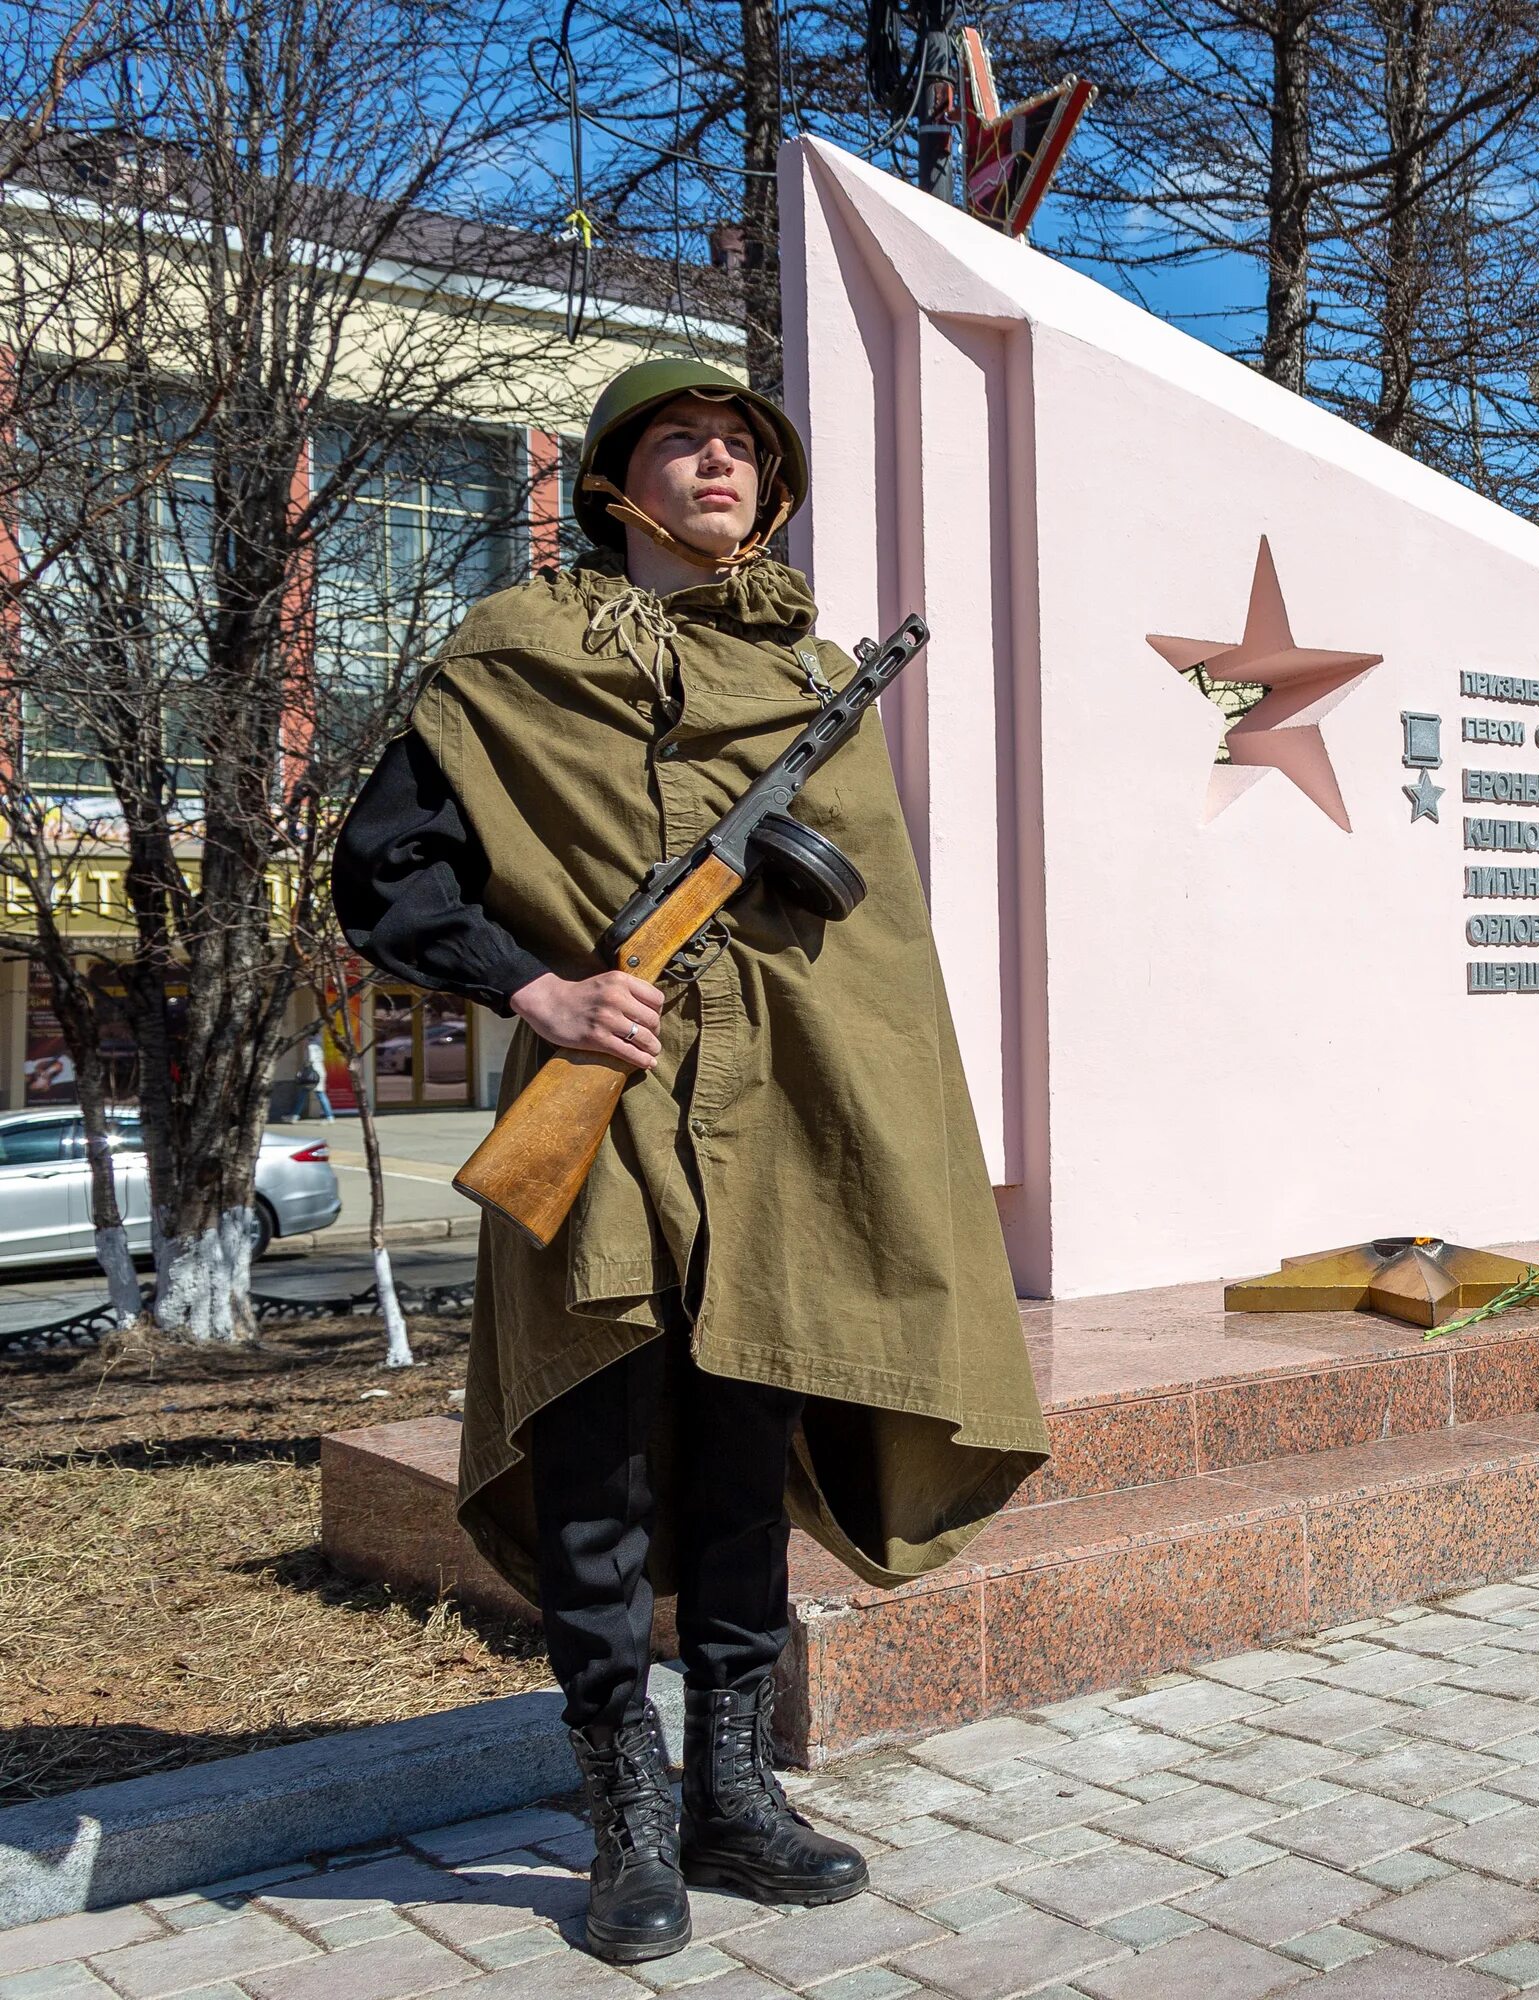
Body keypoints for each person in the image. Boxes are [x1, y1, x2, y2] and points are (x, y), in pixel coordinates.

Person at [334, 359, 1050, 1965]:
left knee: (742, 1464)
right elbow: (385, 877)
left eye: (742, 447)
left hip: (784, 1127)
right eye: (683, 441)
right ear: (616, 481)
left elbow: (876, 967)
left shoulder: (807, 677)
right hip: (603, 1107)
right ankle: (626, 1821)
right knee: (598, 1475)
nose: (718, 462)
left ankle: (734, 1799)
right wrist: (542, 988)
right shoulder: (509, 662)